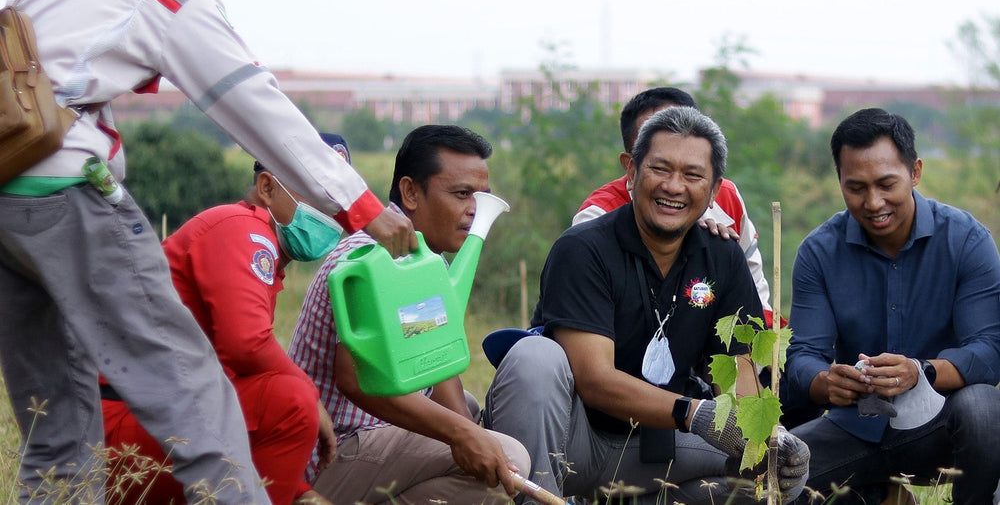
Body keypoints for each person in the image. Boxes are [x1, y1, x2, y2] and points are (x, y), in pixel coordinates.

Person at [0, 0, 413, 504]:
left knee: (56, 427)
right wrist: (360, 207)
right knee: (195, 396)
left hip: (8, 208)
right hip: (69, 199)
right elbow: (254, 104)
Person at [484, 107, 809, 504]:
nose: (674, 187)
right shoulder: (583, 249)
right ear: (631, 171)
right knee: (534, 357)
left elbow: (739, 376)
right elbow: (594, 379)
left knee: (776, 474)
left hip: (659, 445)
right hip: (574, 440)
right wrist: (693, 414)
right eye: (660, 169)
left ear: (713, 190)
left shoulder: (722, 256)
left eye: (693, 176)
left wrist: (770, 440)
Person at [101, 134, 354, 505]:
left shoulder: (259, 249)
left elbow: (229, 384)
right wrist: (311, 397)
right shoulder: (242, 228)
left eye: (336, 202)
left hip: (151, 421)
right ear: (267, 187)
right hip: (123, 425)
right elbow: (247, 345)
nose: (328, 215)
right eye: (316, 195)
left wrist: (300, 492)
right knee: (292, 400)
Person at [289, 125, 530, 504]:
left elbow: (438, 367)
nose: (474, 209)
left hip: (371, 440)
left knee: (469, 415)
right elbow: (356, 381)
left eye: (481, 196)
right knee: (508, 456)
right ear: (411, 192)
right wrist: (463, 436)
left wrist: (472, 437)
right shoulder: (371, 258)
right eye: (462, 194)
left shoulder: (424, 261)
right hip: (331, 451)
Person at [784, 108, 1000, 504]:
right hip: (858, 425)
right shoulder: (819, 252)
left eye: (886, 184)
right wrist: (827, 381)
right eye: (856, 188)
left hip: (943, 423)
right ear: (839, 180)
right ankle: (878, 495)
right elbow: (802, 357)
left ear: (915, 172)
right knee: (769, 478)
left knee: (984, 408)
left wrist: (921, 371)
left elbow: (989, 351)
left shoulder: (967, 240)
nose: (873, 202)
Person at [572, 87, 778, 328]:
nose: (674, 186)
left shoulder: (726, 199)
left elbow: (756, 304)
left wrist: (712, 248)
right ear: (631, 165)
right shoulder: (595, 220)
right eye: (661, 165)